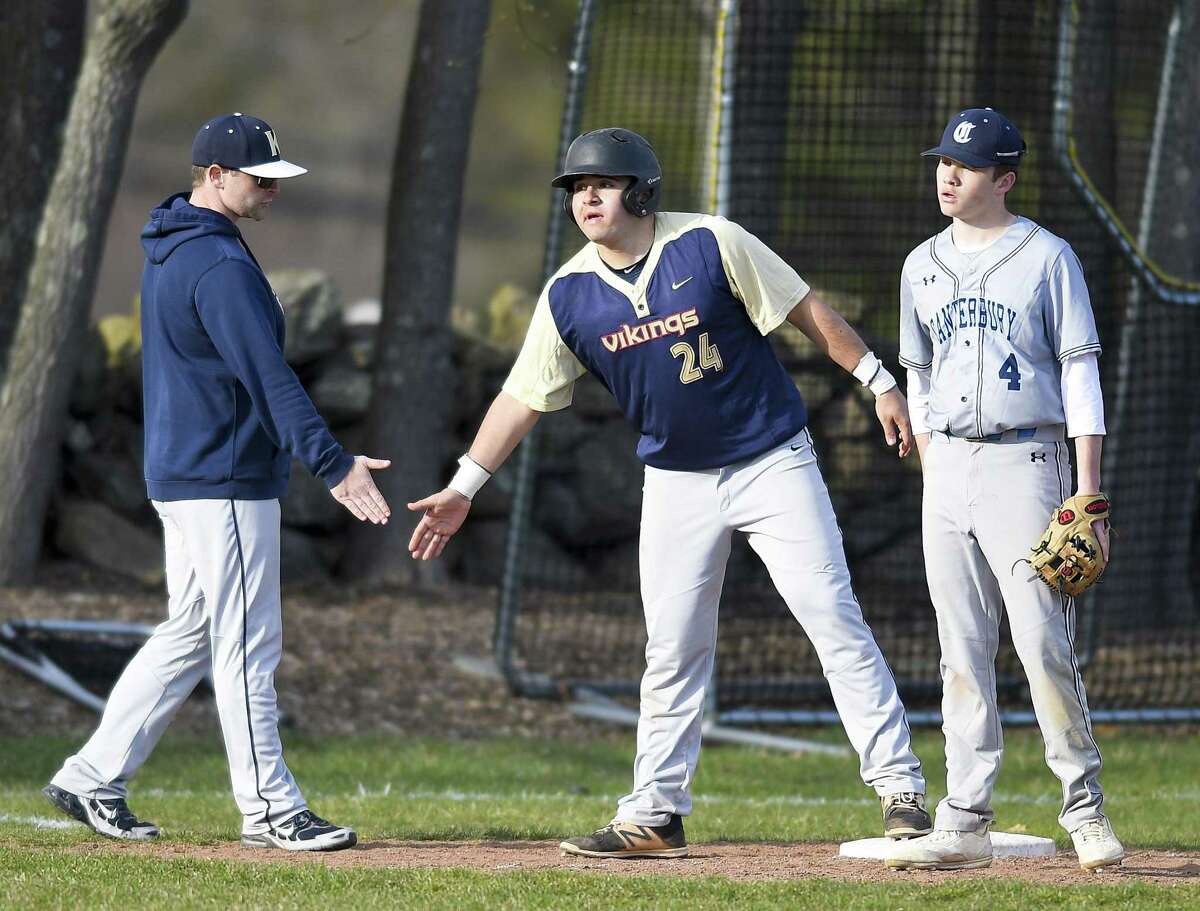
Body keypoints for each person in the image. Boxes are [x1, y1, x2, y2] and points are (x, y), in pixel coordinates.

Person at [406, 127, 931, 859]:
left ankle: (900, 789)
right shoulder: (569, 295)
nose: (587, 197)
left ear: (643, 190)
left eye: (603, 183)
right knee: (673, 648)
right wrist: (465, 485)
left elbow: (804, 309)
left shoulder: (710, 242)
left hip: (771, 461)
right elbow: (522, 396)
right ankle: (654, 812)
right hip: (677, 481)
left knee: (830, 616)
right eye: (576, 188)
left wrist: (878, 381)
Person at [42, 114, 391, 852]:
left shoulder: (177, 244)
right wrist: (333, 463)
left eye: (275, 178)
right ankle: (269, 807)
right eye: (259, 178)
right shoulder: (219, 263)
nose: (271, 190)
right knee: (247, 643)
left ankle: (91, 775)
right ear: (215, 176)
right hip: (222, 480)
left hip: (187, 474)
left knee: (194, 632)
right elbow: (268, 379)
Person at [885, 108, 1124, 872]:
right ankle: (964, 818)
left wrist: (1088, 494)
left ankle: (1085, 809)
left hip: (1028, 462)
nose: (948, 175)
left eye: (967, 166)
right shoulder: (920, 264)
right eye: (944, 162)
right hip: (949, 465)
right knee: (960, 648)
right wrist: (932, 463)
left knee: (1043, 641)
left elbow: (1080, 373)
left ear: (1006, 178)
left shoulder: (1048, 258)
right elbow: (919, 375)